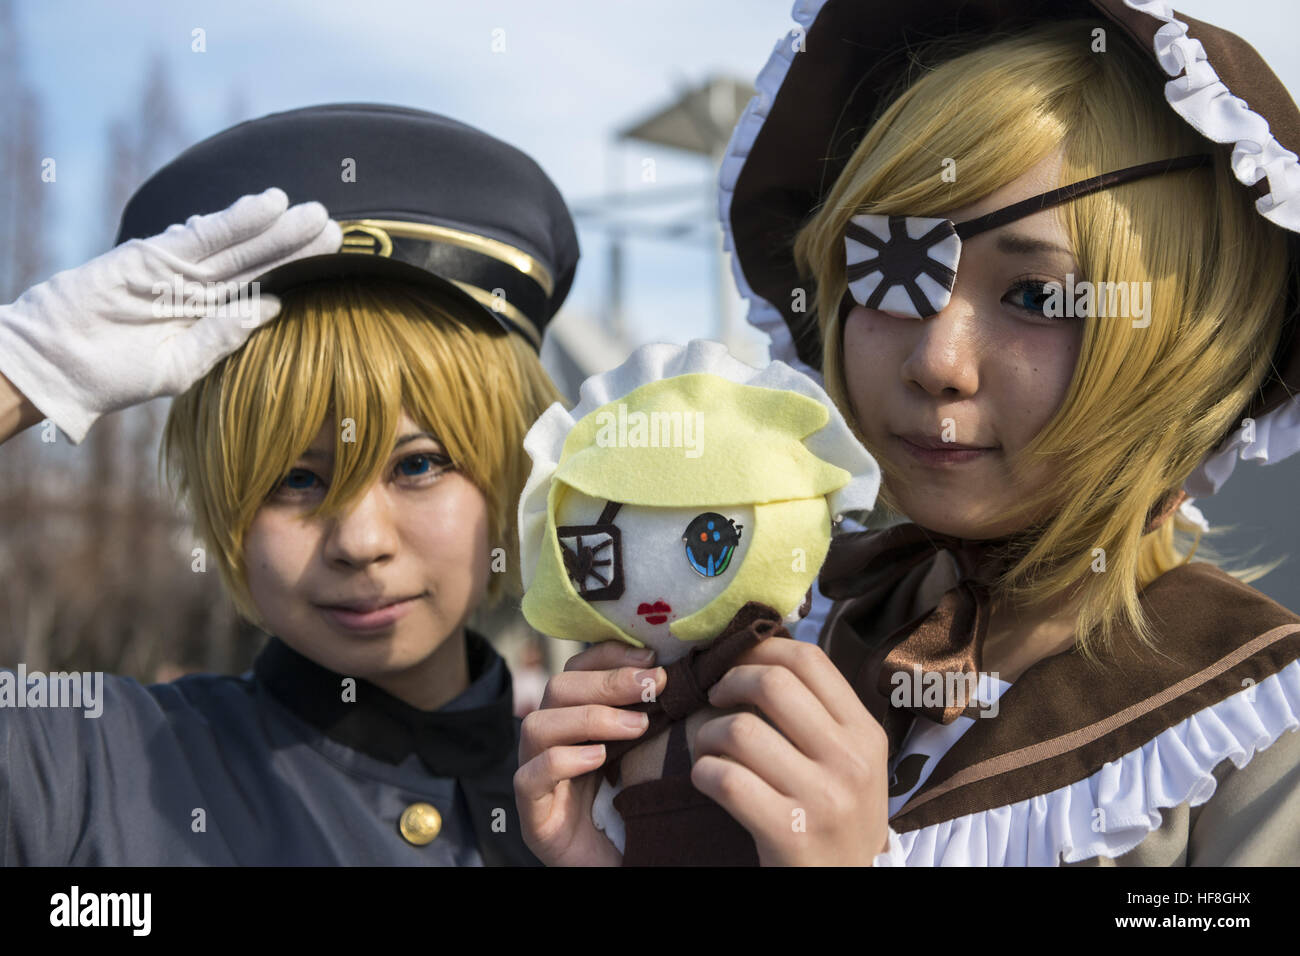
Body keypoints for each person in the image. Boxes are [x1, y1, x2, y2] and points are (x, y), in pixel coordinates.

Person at [515, 1, 1300, 865]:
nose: (938, 360)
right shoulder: (780, 619)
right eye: (892, 267)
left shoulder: (1252, 726)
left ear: (1193, 344)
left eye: (1039, 295)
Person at [0, 103, 576, 865]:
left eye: (418, 464)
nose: (360, 543)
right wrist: (21, 371)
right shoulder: (87, 775)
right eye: (294, 479)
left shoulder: (648, 801)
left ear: (517, 467)